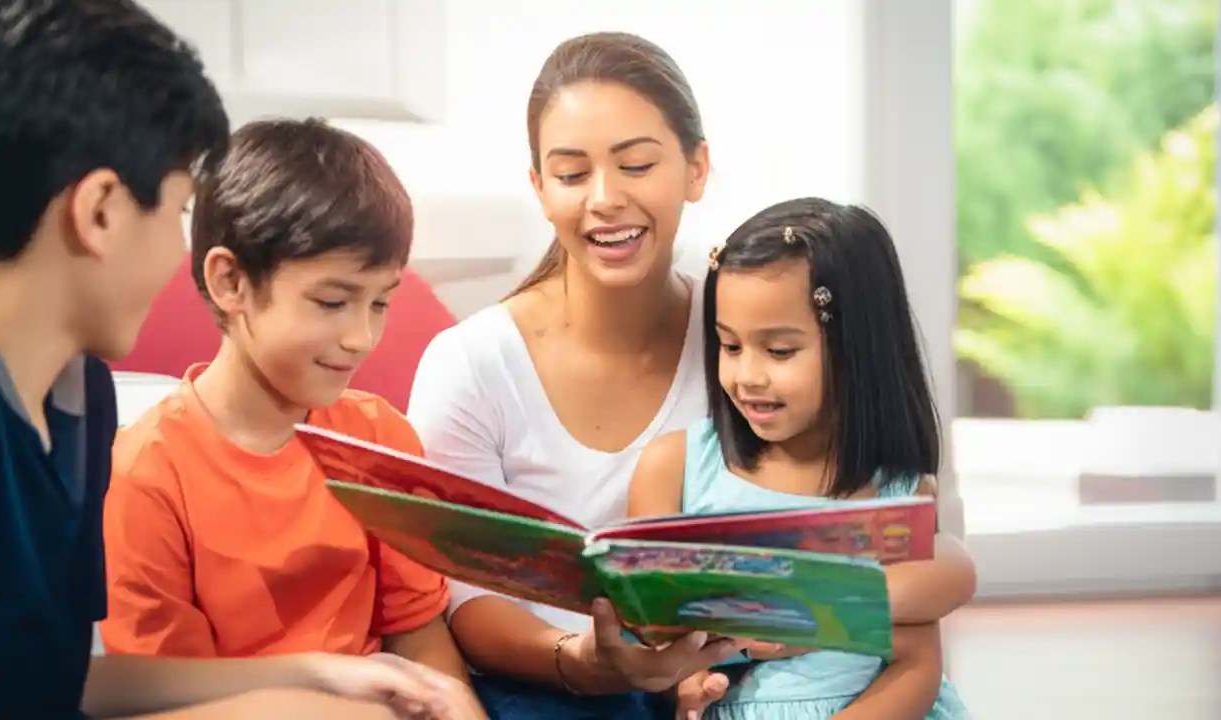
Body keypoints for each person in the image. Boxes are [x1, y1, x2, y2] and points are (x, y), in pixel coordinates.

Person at [407, 31, 975, 719]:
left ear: (696, 168)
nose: (605, 198)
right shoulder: (470, 363)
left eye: (637, 164)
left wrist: (813, 608)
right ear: (539, 188)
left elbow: (929, 552)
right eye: (572, 173)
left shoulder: (750, 318)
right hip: (553, 685)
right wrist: (585, 662)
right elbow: (462, 596)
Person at [0, 2, 474, 718]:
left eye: (378, 304)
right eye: (177, 208)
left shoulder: (79, 397)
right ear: (99, 210)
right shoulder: (145, 466)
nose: (172, 260)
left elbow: (57, 686)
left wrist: (322, 678)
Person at [98, 117, 486, 718]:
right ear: (230, 281)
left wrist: (454, 702)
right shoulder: (149, 473)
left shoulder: (380, 438)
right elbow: (163, 694)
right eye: (332, 302)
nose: (361, 337)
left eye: (380, 301)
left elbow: (417, 626)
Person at [629, 198, 974, 719]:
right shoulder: (675, 469)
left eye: (780, 351)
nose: (747, 376)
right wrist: (685, 683)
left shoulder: (894, 491)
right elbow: (650, 638)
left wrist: (808, 613)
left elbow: (917, 665)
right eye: (730, 346)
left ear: (856, 347)